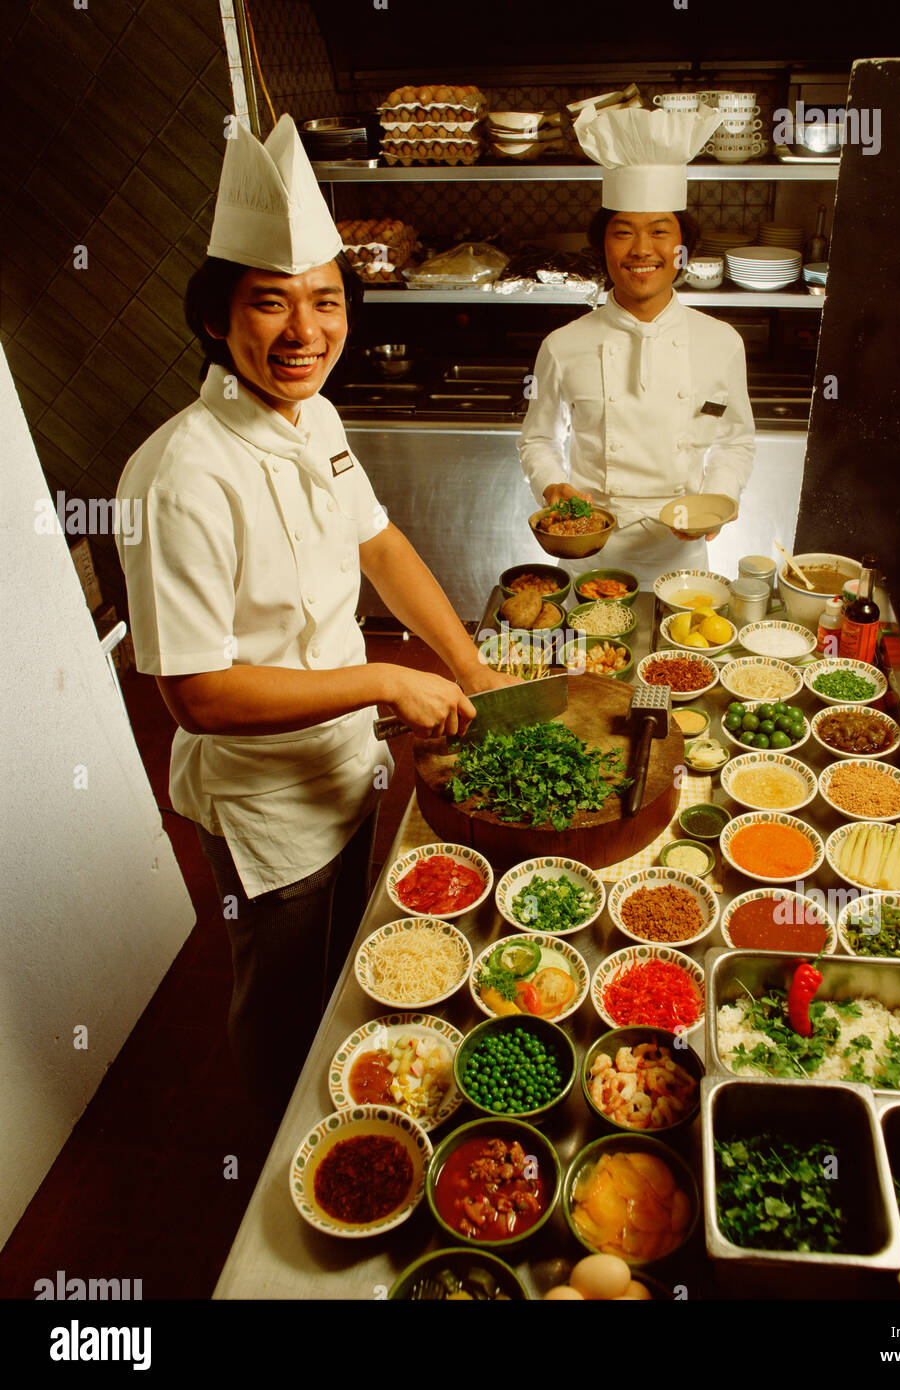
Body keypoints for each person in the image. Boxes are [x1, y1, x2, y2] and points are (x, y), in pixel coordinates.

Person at [116, 116, 511, 1123]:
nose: (304, 333)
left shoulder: (319, 418)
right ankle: (277, 1183)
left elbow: (379, 544)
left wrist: (468, 664)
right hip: (267, 806)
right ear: (217, 318)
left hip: (347, 764)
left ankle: (352, 1111)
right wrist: (388, 678)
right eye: (271, 304)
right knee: (288, 1005)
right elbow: (197, 693)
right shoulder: (179, 474)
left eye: (326, 303)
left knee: (348, 974)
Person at [519, 105, 756, 584]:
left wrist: (720, 498)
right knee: (588, 660)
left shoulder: (721, 342)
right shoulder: (563, 345)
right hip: (589, 544)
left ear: (682, 248)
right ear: (603, 246)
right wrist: (553, 487)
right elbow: (538, 439)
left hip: (682, 548)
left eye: (660, 232)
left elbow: (736, 442)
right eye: (623, 232)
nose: (641, 250)